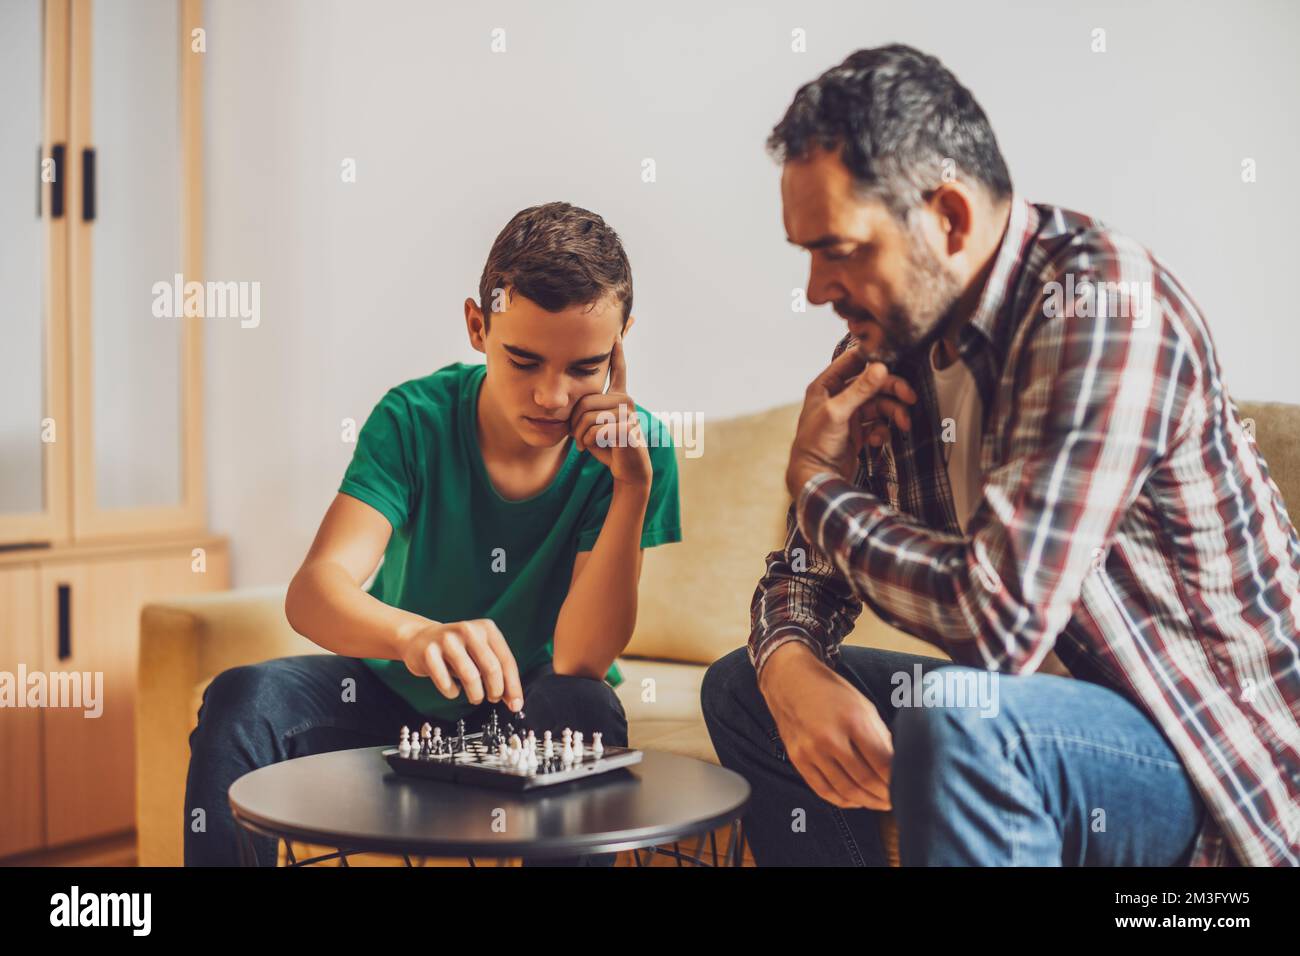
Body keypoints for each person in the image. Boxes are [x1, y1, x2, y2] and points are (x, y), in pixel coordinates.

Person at [703, 45, 1300, 866]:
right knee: (741, 686)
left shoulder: (1098, 306)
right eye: (805, 252)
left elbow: (998, 622)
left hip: (1202, 761)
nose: (813, 288)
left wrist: (814, 482)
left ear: (947, 218)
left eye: (839, 248)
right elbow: (805, 580)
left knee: (965, 714)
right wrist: (791, 663)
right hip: (1020, 728)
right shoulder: (893, 349)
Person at [185, 202, 682, 866]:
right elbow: (313, 592)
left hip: (531, 705)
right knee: (242, 698)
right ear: (478, 326)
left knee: (583, 705)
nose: (553, 397)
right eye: (524, 360)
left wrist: (630, 488)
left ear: (622, 343)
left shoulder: (636, 452)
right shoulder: (414, 419)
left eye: (585, 369)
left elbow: (581, 658)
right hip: (391, 695)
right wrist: (415, 636)